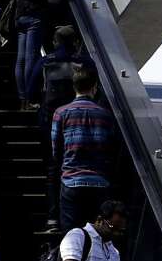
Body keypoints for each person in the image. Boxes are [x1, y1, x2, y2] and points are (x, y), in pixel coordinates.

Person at [49, 63, 120, 233]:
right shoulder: (105, 115)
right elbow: (112, 148)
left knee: (72, 236)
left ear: (74, 87)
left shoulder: (61, 113)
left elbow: (55, 150)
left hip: (71, 181)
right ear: (94, 87)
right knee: (96, 234)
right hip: (99, 183)